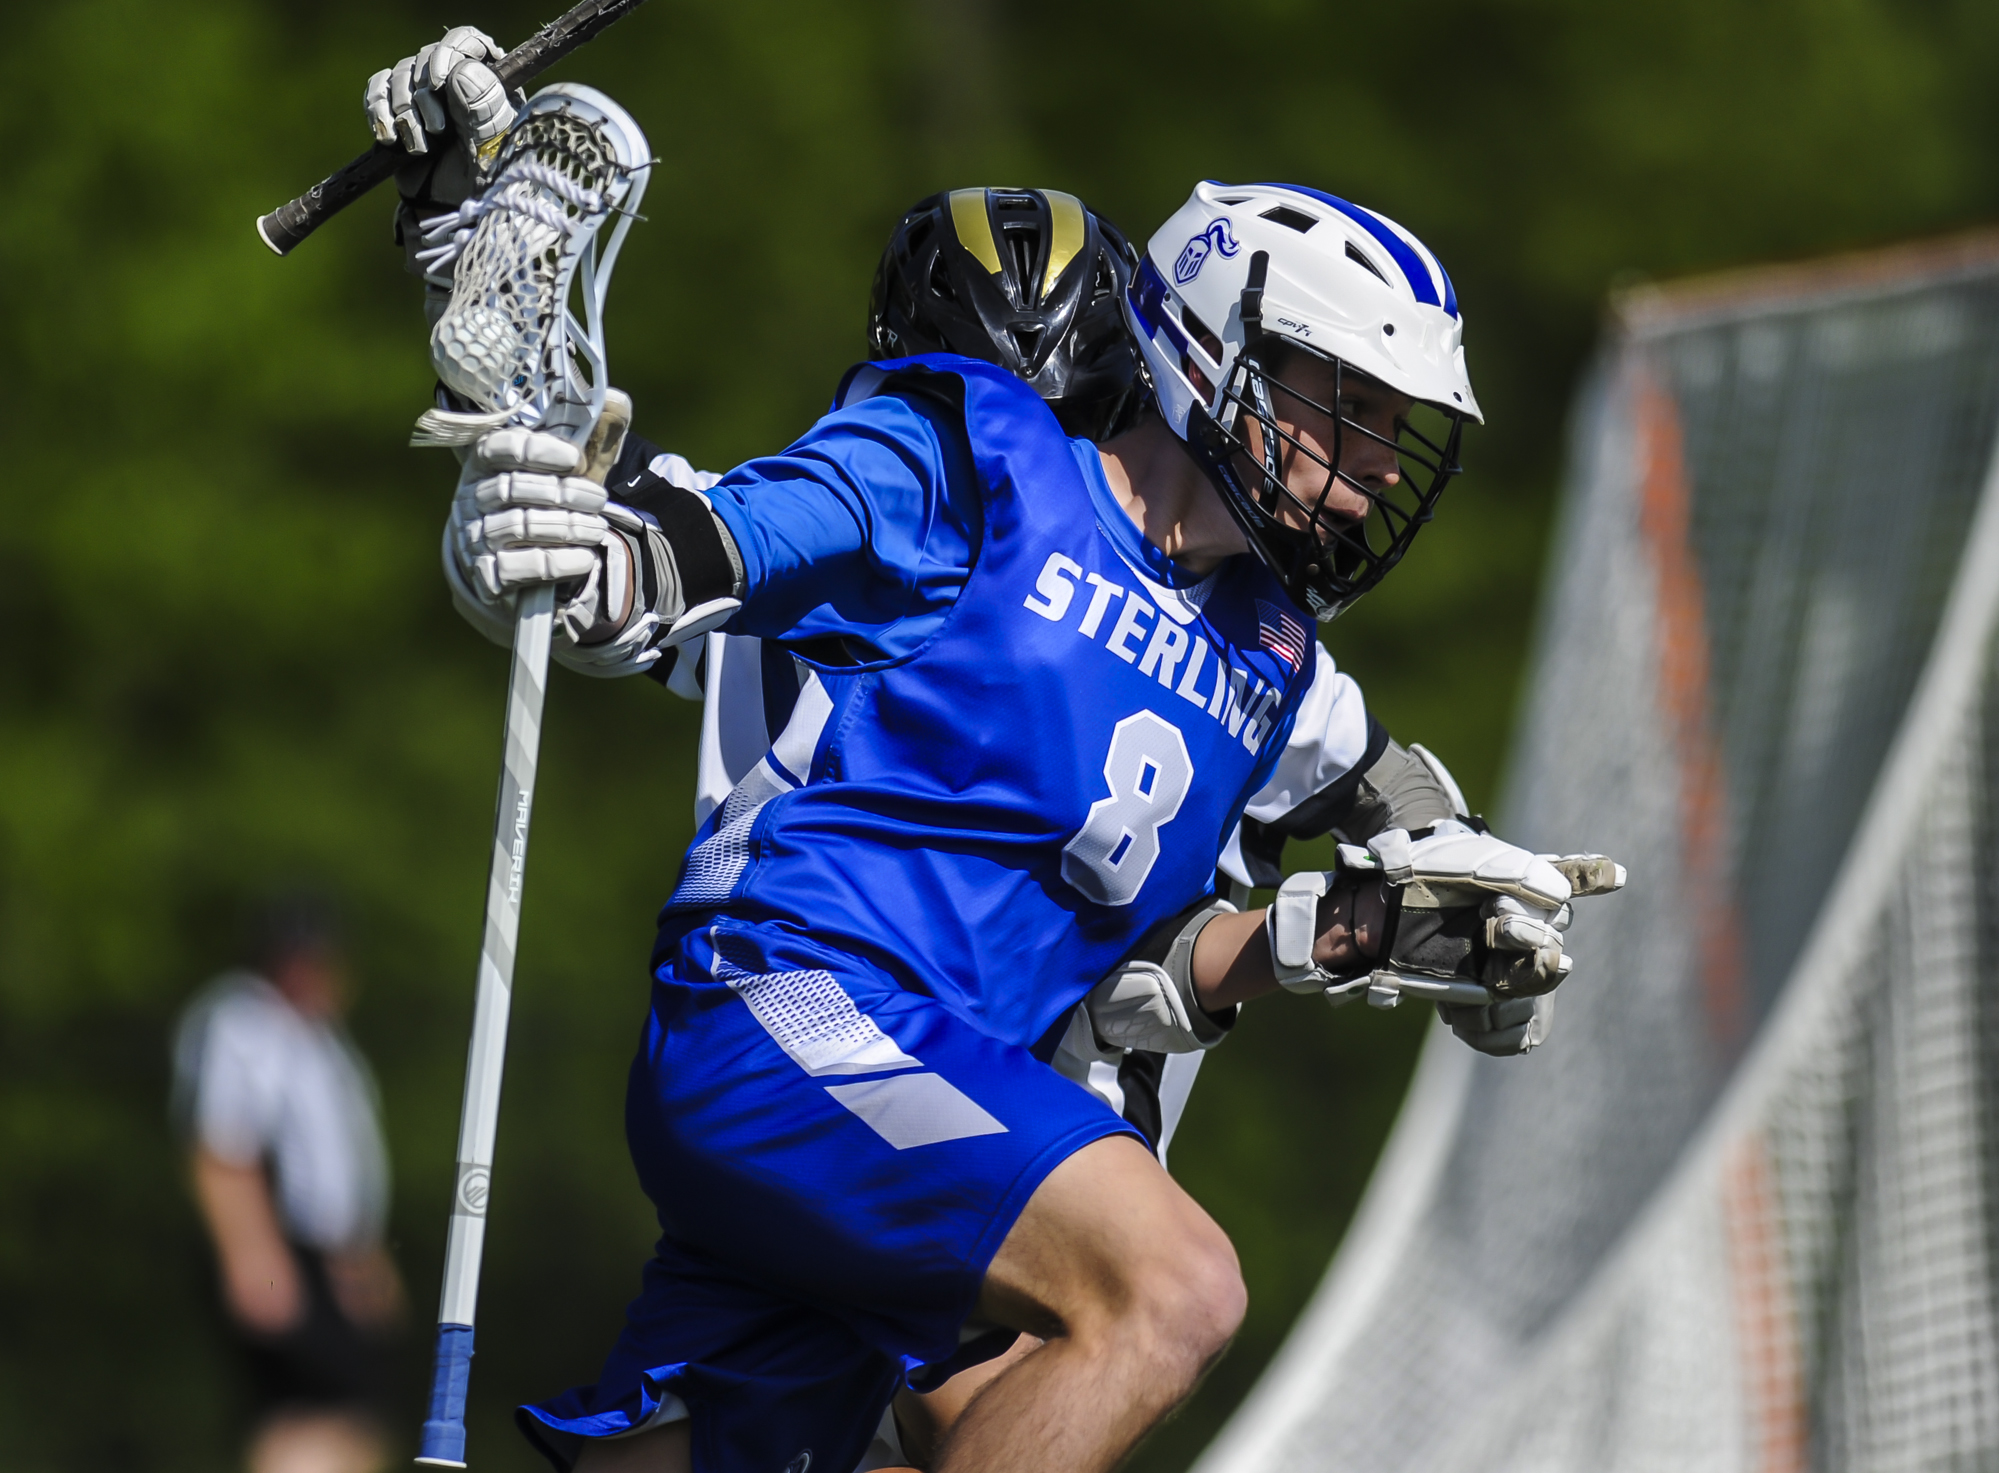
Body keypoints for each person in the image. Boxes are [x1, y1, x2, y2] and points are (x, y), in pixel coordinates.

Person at [365, 38, 1603, 1473]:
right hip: (792, 1013)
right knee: (1173, 1288)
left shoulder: (1271, 661)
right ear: (1218, 350)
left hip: (921, 1093)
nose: (1386, 466)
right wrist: (591, 555)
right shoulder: (978, 456)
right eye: (1357, 410)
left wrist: (1432, 915)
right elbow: (697, 555)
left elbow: (1375, 819)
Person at [172, 894, 406, 1473]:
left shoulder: (324, 1043)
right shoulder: (243, 1021)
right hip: (280, 1249)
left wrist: (363, 1262)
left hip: (324, 1260)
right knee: (316, 1408)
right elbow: (223, 1147)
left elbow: (342, 1174)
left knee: (348, 1412)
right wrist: (254, 1258)